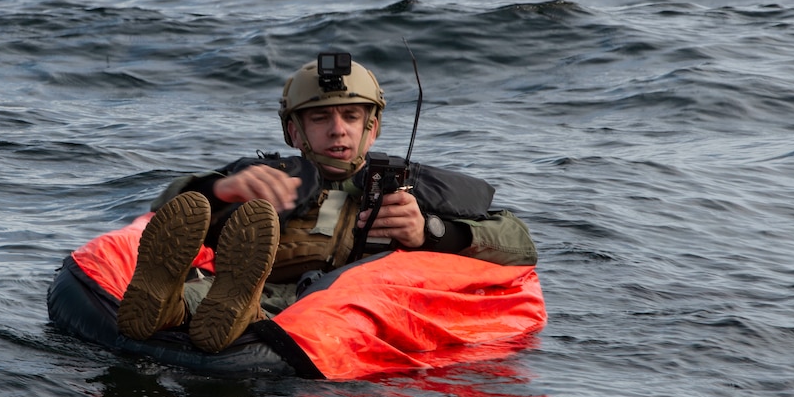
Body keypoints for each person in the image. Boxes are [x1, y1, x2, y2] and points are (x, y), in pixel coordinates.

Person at [116, 53, 538, 354]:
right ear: (294, 132)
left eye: (351, 117)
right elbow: (166, 214)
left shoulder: (411, 187)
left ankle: (210, 314)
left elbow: (518, 241)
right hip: (255, 287)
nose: (338, 131)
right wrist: (222, 191)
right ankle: (169, 305)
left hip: (345, 304)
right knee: (215, 295)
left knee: (285, 309)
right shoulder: (268, 175)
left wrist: (429, 231)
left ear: (372, 127)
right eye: (321, 119)